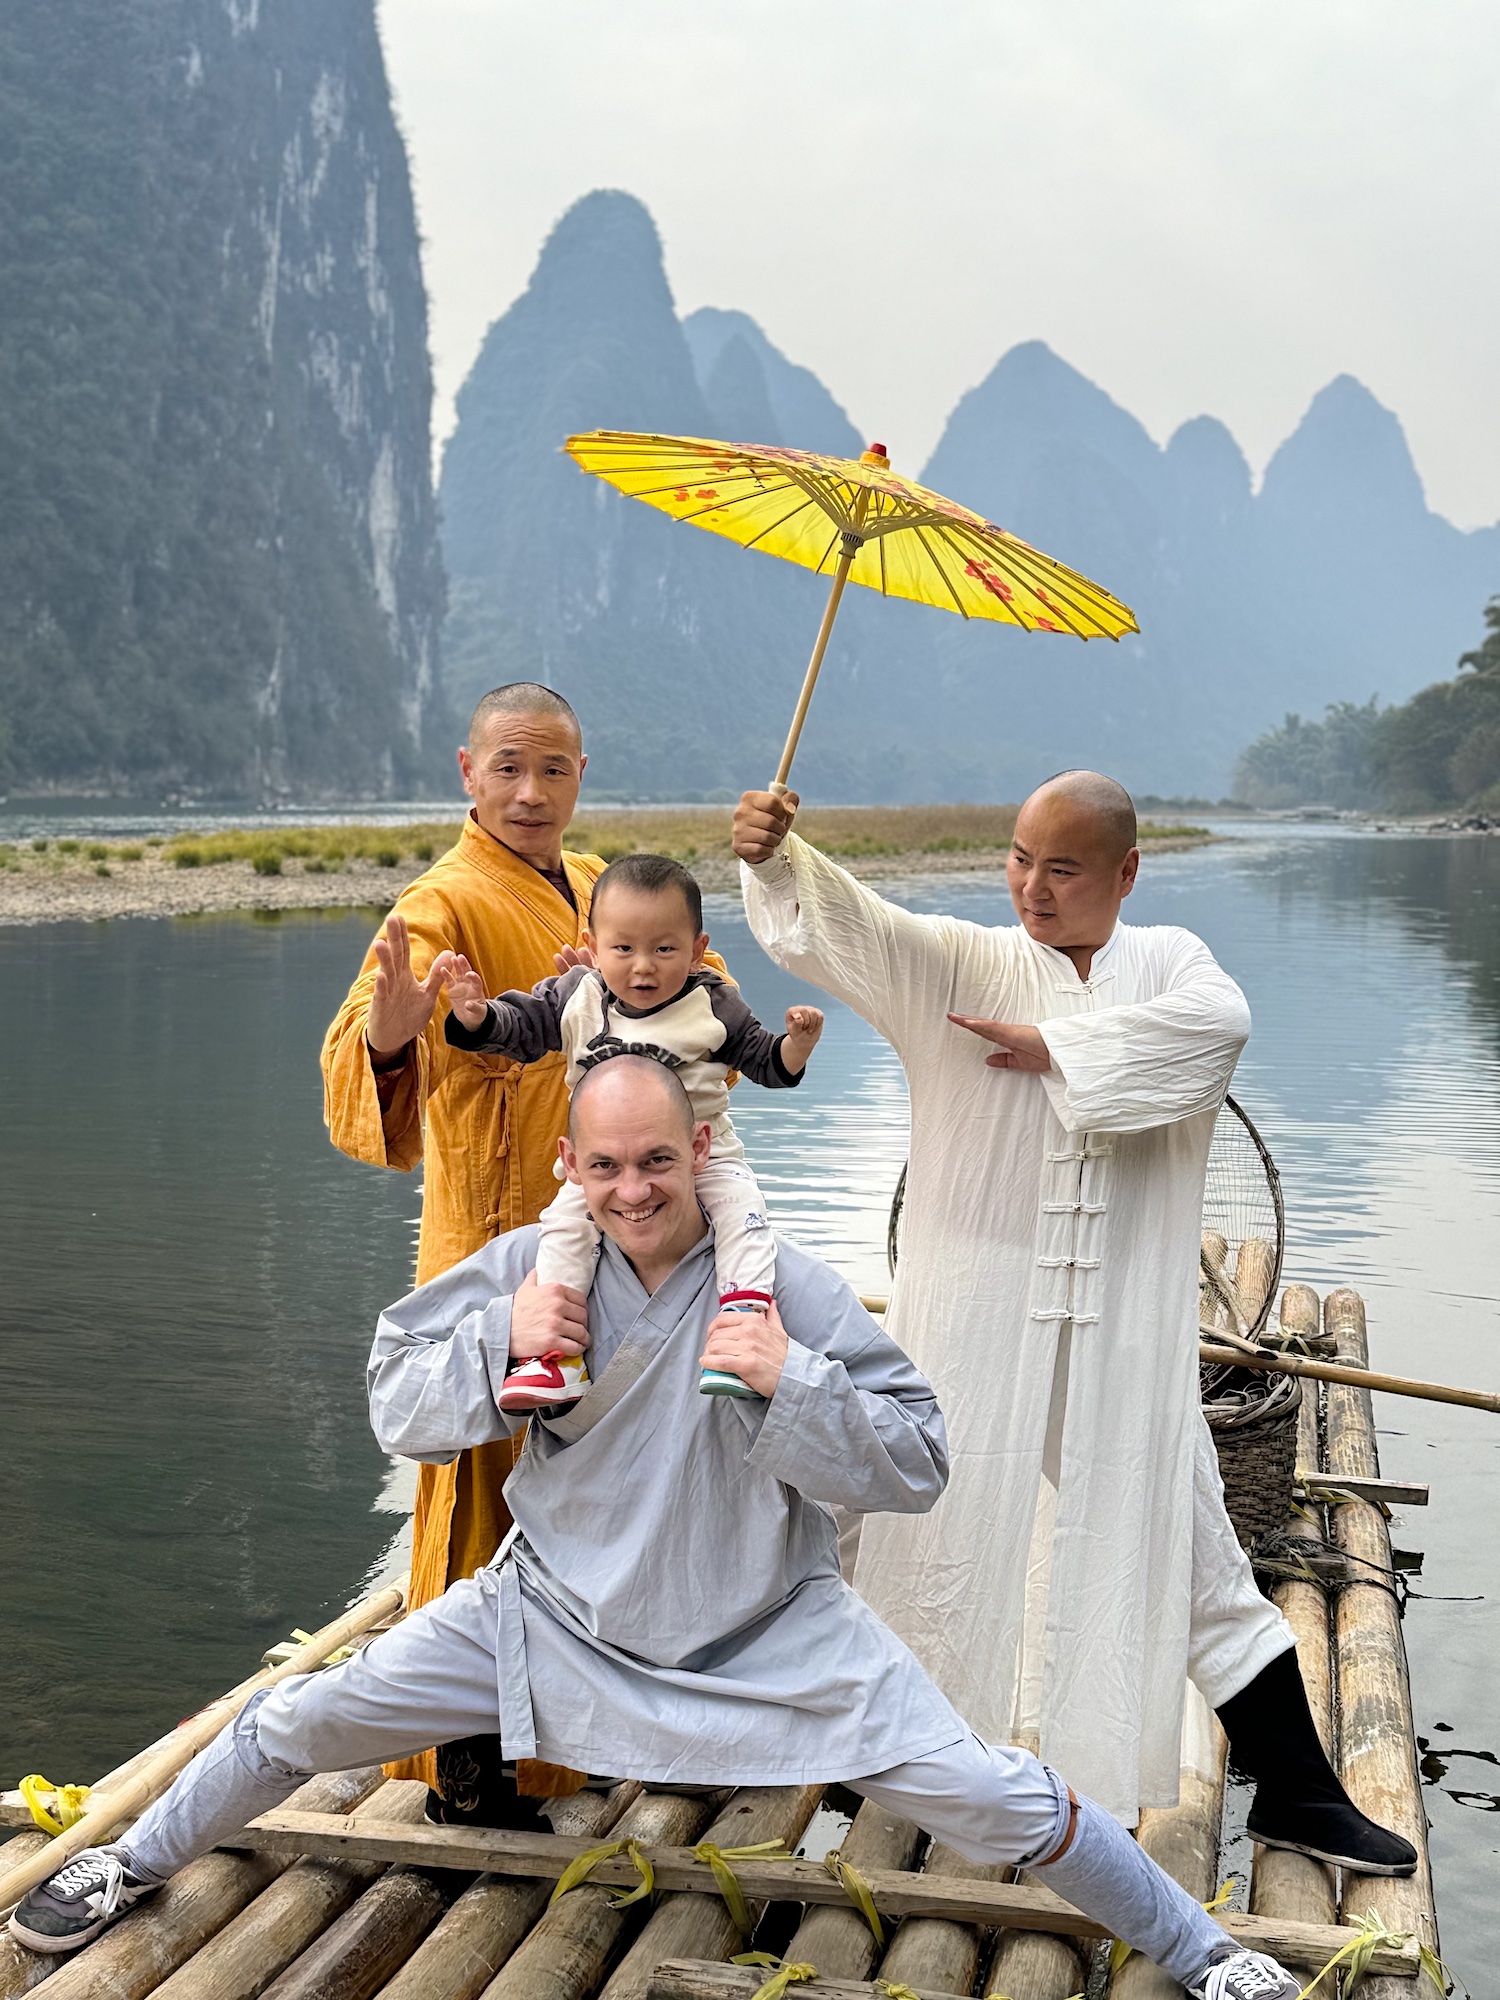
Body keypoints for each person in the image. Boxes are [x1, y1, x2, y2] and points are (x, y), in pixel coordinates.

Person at [10, 1059, 1306, 2000]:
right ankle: (131, 1862)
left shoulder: (777, 1285)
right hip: (554, 1612)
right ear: (576, 1169)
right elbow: (397, 1401)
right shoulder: (536, 1267)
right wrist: (494, 1344)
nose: (634, 1192)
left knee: (990, 1791)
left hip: (776, 1631)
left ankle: (1206, 1952)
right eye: (607, 1166)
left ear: (701, 1155)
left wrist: (790, 1377)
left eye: (659, 1162)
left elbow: (918, 1460)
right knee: (304, 1718)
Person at [732, 772, 1416, 1873]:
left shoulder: (1171, 961)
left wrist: (1062, 1050)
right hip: (972, 1317)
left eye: (1061, 867)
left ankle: (1297, 1792)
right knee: (878, 1521)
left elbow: (1217, 1028)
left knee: (1194, 1558)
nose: (1030, 887)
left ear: (1125, 873)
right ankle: (815, 1733)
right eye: (1016, 857)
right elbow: (859, 929)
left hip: (1117, 1330)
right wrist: (776, 859)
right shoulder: (961, 962)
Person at [319, 680, 629, 1810]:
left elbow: (696, 995)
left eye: (552, 769)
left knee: (589, 1476)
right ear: (467, 771)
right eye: (508, 767)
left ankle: (574, 1720)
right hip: (492, 1239)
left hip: (607, 1231)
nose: (531, 791)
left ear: (582, 776)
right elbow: (362, 1045)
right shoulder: (441, 902)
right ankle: (463, 1749)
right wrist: (395, 1036)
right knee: (483, 1478)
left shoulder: (601, 890)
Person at [442, 850, 824, 1404]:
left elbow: (766, 1060)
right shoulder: (578, 995)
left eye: (664, 949)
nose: (642, 966)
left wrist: (798, 1045)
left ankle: (743, 1330)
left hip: (704, 1154)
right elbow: (520, 1028)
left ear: (698, 951)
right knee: (564, 1229)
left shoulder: (713, 1003)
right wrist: (477, 1017)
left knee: (743, 1213)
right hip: (604, 1165)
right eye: (622, 948)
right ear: (594, 946)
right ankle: (555, 1357)